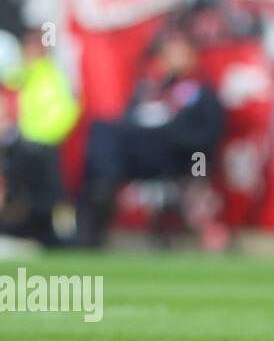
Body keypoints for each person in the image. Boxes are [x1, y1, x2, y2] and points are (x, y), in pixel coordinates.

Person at [75, 27, 225, 248]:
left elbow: (207, 136)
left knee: (112, 136)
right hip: (146, 156)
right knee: (103, 132)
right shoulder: (151, 88)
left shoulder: (203, 92)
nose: (174, 59)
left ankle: (102, 189)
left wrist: (168, 130)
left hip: (183, 158)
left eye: (180, 53)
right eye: (170, 53)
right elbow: (131, 117)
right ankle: (96, 202)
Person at [0, 29, 81, 247]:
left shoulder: (51, 74)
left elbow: (68, 109)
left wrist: (51, 133)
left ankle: (63, 237)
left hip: (46, 145)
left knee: (53, 194)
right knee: (18, 192)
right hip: (20, 143)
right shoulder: (21, 74)